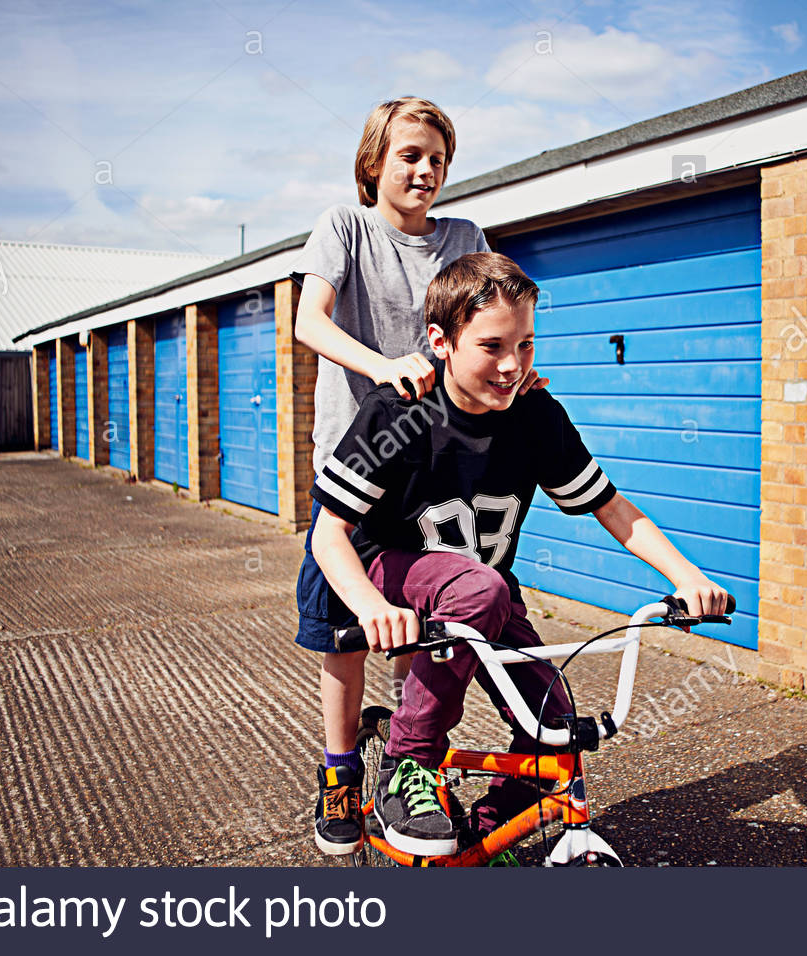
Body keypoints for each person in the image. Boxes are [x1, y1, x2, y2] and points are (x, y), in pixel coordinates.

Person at [310, 252, 731, 856]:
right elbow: (329, 534)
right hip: (396, 573)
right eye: (492, 346)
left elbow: (612, 507)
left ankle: (486, 824)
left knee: (556, 732)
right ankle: (409, 763)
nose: (512, 365)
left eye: (526, 345)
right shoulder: (400, 411)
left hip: (483, 597)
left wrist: (688, 577)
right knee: (482, 588)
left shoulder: (535, 416)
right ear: (441, 341)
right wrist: (370, 606)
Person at [294, 97, 543, 856]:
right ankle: (341, 772)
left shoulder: (464, 237)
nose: (426, 170)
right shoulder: (346, 225)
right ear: (375, 163)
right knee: (346, 627)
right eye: (410, 155)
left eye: (437, 157)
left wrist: (514, 373)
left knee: (442, 621)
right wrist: (384, 368)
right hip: (360, 460)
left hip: (437, 472)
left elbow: (493, 313)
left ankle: (411, 764)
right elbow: (309, 321)